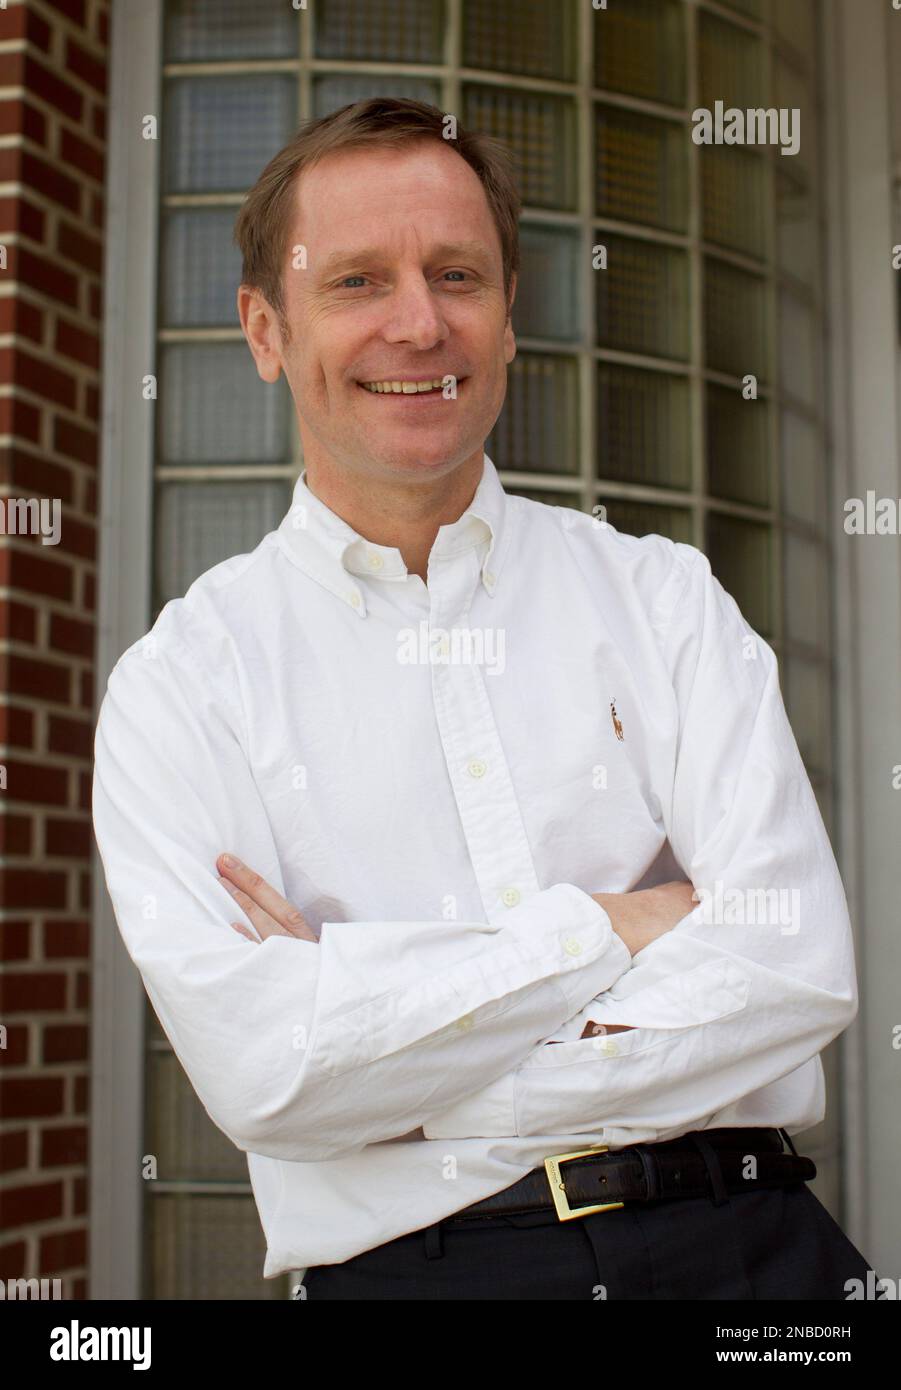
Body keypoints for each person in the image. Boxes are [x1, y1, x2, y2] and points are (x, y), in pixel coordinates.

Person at [92, 98, 879, 1300]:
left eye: (457, 274)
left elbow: (794, 962)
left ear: (508, 319)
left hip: (752, 1255)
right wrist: (605, 930)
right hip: (422, 1280)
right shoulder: (182, 687)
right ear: (265, 329)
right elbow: (267, 1077)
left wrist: (389, 1053)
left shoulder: (661, 599)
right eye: (357, 281)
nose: (419, 324)